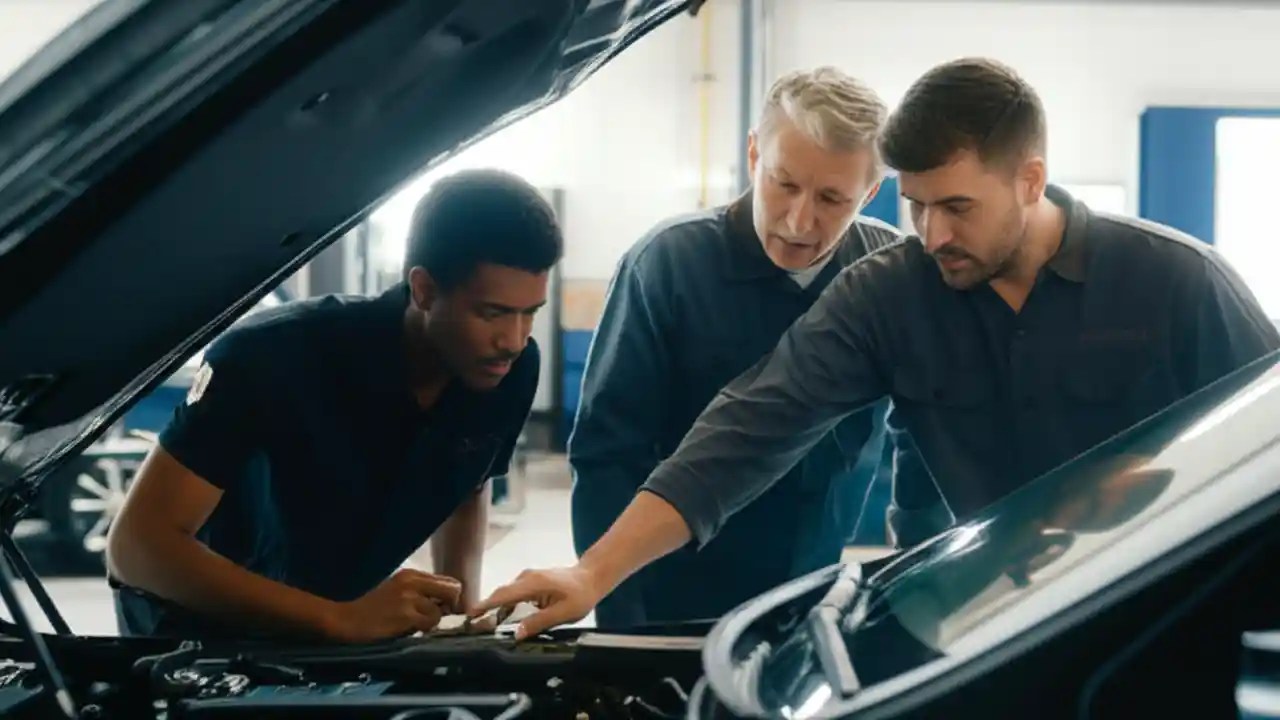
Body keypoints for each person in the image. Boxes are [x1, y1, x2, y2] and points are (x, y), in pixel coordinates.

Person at [471, 57, 1280, 640]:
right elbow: (749, 428)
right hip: (1003, 621)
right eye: (917, 205)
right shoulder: (890, 292)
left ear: (1030, 181)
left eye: (957, 206)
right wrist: (595, 573)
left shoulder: (1180, 285)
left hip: (1173, 614)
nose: (932, 235)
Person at [105, 168, 562, 642]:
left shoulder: (507, 367)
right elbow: (137, 547)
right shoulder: (270, 357)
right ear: (424, 289)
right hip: (198, 637)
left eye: (530, 312)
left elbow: (468, 485)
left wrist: (462, 618)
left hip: (334, 633)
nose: (514, 339)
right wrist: (340, 619)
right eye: (492, 313)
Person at [569, 67, 903, 628]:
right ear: (754, 155)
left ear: (870, 192)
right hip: (669, 603)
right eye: (784, 183)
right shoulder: (665, 266)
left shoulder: (888, 277)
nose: (800, 221)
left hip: (808, 598)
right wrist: (621, 622)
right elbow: (607, 458)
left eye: (831, 198)